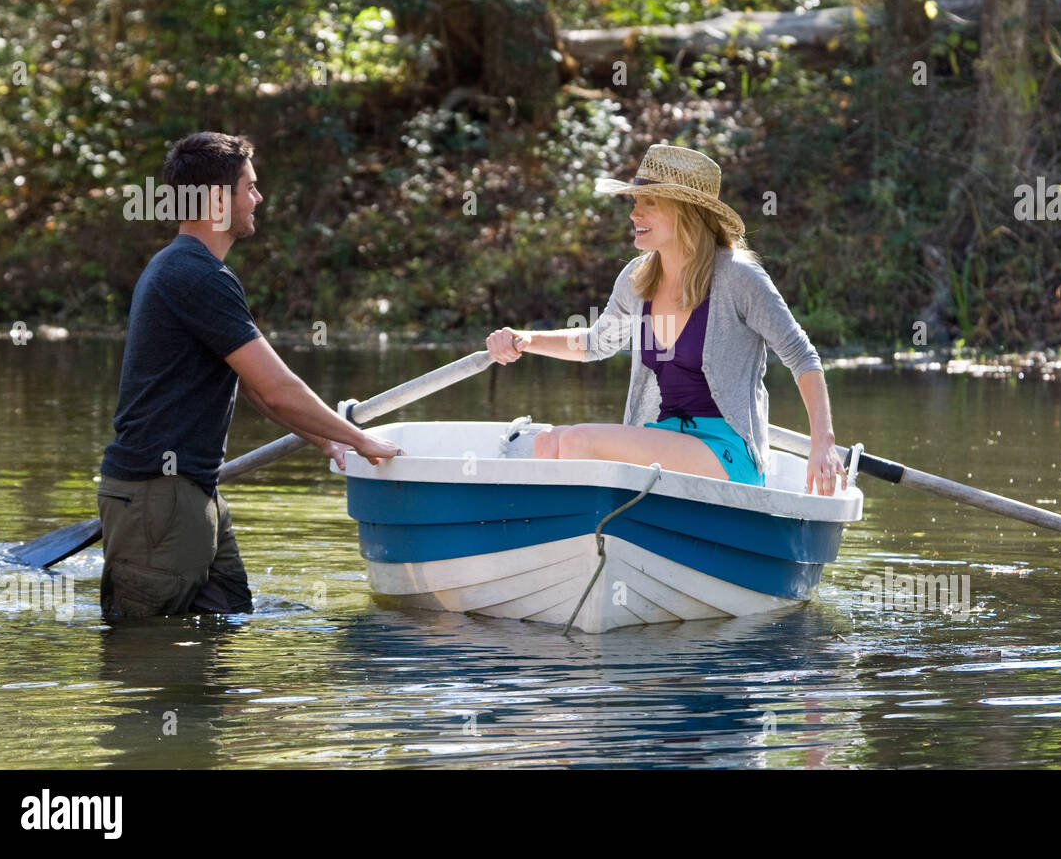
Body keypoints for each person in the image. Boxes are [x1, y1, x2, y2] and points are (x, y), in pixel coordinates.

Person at [97, 132, 400, 621]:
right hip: (159, 499)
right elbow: (281, 391)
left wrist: (325, 442)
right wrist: (360, 440)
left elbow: (257, 386)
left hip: (190, 494)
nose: (258, 198)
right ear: (217, 199)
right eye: (250, 187)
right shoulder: (194, 275)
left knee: (226, 625)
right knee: (149, 656)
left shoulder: (190, 269)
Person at [485, 143, 847, 494]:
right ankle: (567, 549)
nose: (633, 214)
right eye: (634, 202)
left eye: (649, 202)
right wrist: (526, 340)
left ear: (685, 211)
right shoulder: (637, 278)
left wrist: (822, 444)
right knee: (550, 441)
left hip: (725, 451)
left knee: (577, 440)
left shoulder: (739, 277)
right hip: (665, 436)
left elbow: (802, 356)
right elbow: (597, 343)